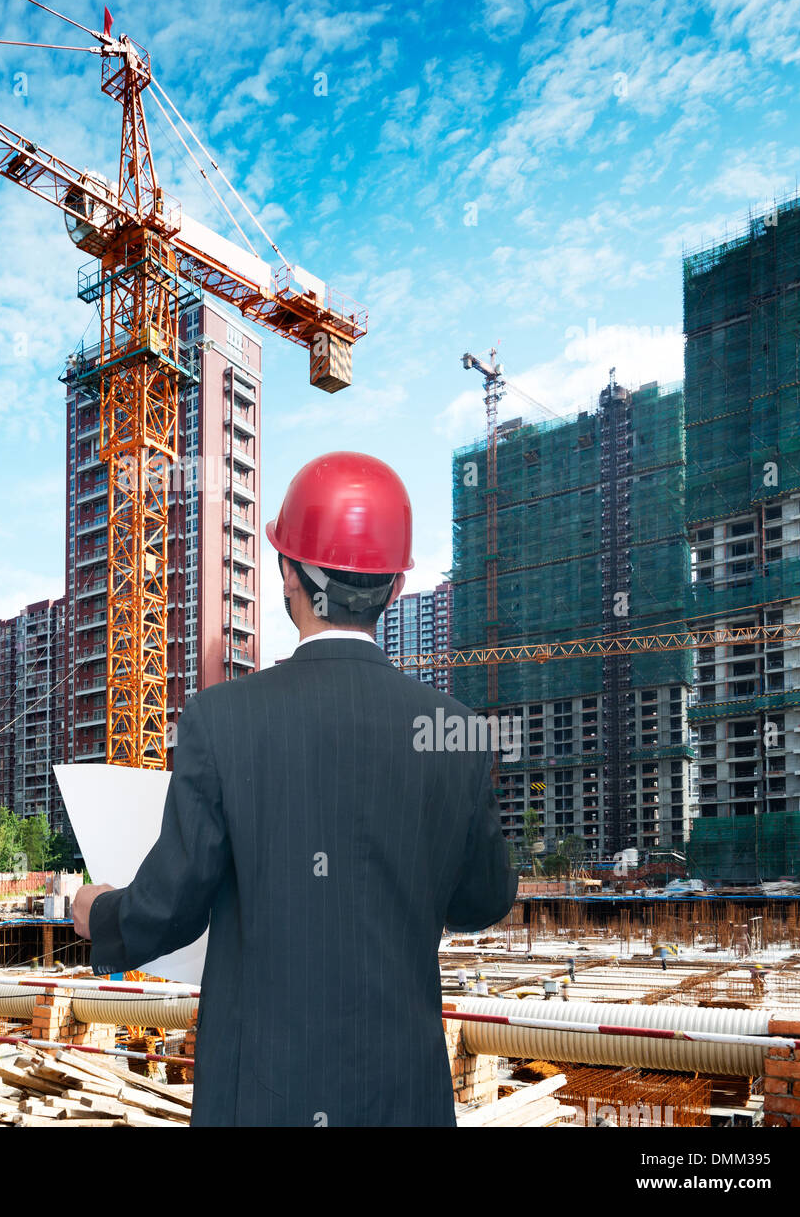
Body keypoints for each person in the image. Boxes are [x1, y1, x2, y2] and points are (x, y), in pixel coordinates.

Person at [71, 451, 520, 1126]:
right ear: (394, 587)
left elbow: (173, 907)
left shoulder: (220, 719)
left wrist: (98, 911)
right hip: (402, 1099)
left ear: (286, 570)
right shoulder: (453, 732)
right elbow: (482, 900)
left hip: (259, 1097)